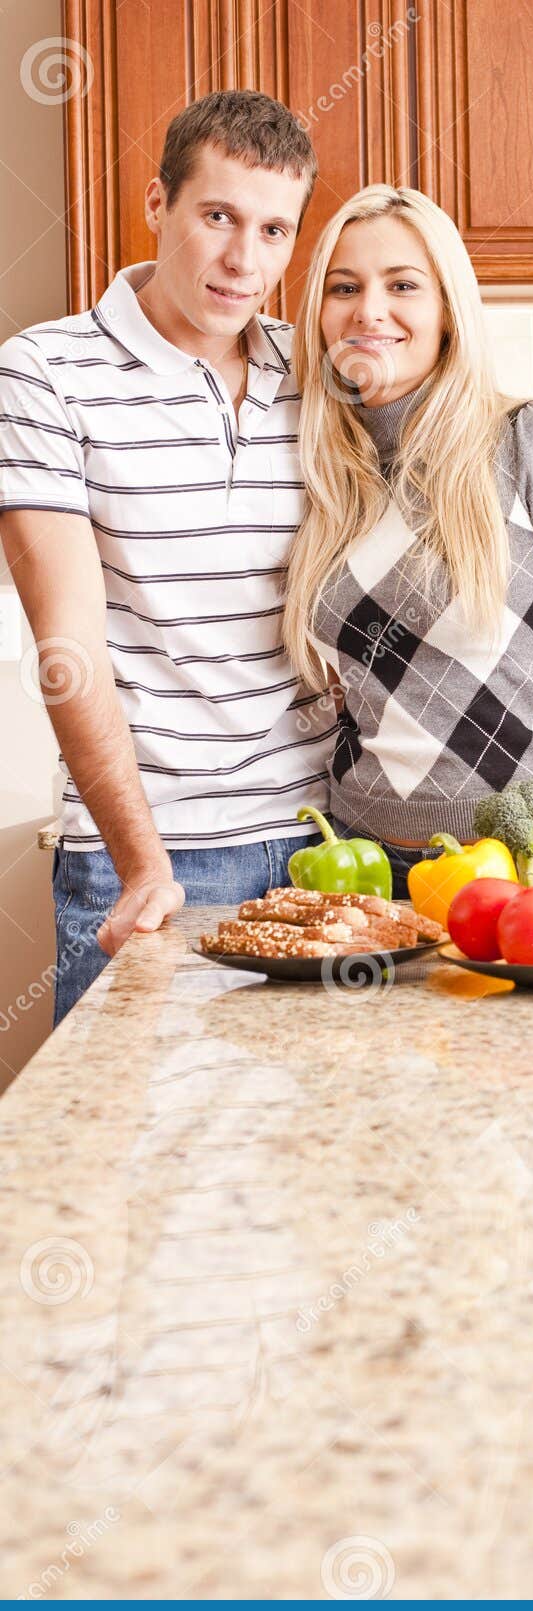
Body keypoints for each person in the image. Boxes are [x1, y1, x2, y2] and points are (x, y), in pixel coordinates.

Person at [0, 91, 336, 1025]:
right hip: (146, 855)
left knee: (322, 1149)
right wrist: (143, 864)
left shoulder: (311, 374)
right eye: (218, 216)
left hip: (319, 846)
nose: (243, 260)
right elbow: (68, 648)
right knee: (124, 1152)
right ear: (157, 204)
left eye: (274, 230)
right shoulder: (44, 372)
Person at [282, 185, 533, 898]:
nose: (367, 311)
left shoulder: (531, 439)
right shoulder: (320, 471)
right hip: (360, 867)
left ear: (447, 311)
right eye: (342, 287)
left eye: (403, 285)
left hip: (529, 865)